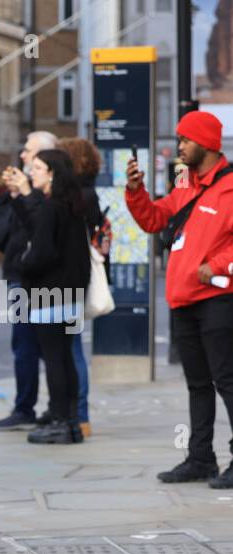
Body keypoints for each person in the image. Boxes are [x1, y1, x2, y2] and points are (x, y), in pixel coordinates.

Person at [126, 110, 233, 487]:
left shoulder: (231, 187)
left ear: (205, 142)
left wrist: (218, 264)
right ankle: (200, 458)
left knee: (227, 381)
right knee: (198, 384)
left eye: (185, 139)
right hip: (183, 298)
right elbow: (155, 220)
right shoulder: (186, 183)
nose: (180, 145)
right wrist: (136, 192)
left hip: (219, 297)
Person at [2, 149, 90, 444]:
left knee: (54, 360)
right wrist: (20, 198)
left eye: (38, 167)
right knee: (65, 357)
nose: (32, 172)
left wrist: (21, 264)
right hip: (70, 294)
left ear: (52, 172)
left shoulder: (53, 207)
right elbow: (40, 229)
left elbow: (42, 250)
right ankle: (71, 421)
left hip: (49, 294)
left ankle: (60, 422)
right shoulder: (71, 205)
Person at [0, 130, 59, 432]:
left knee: (58, 350)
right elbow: (2, 235)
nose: (23, 157)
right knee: (25, 346)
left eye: (30, 152)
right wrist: (15, 197)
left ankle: (65, 412)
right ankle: (28, 408)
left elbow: (43, 232)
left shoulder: (53, 193)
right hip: (20, 276)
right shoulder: (23, 192)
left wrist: (27, 194)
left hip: (48, 280)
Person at [59, 136, 105, 437]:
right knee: (69, 346)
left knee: (71, 348)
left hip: (70, 279)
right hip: (75, 277)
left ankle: (79, 414)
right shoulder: (86, 192)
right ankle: (77, 414)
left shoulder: (78, 194)